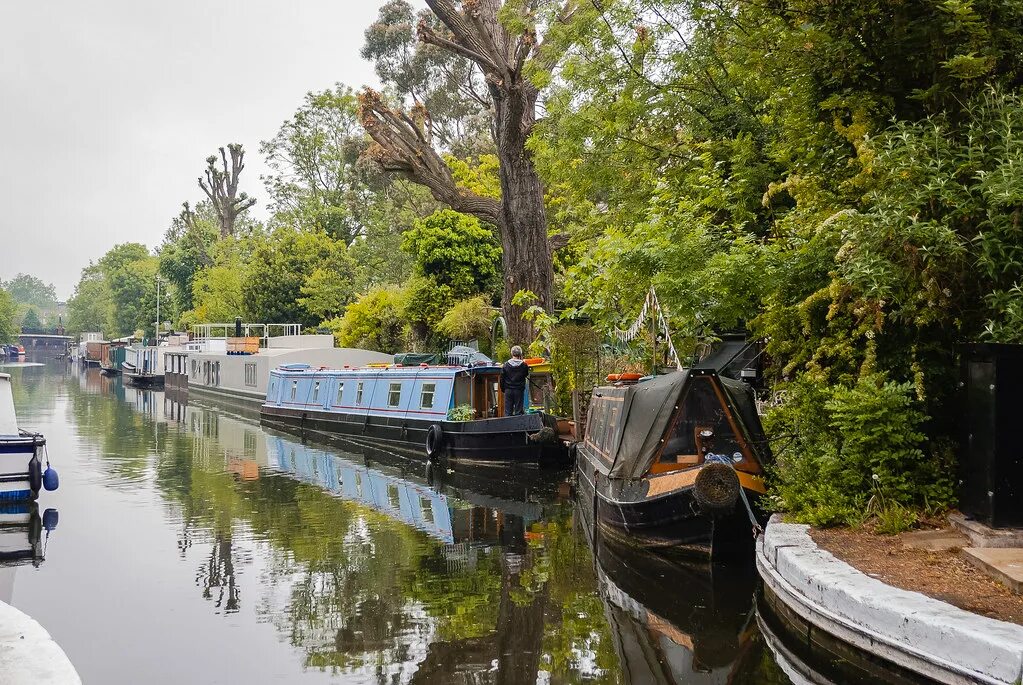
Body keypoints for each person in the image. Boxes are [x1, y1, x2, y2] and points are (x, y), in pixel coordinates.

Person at [500, 345, 530, 417]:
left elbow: (502, 379)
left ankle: (509, 427)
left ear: (511, 353)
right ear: (520, 354)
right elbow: (526, 374)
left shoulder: (505, 365)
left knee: (508, 412)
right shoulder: (524, 365)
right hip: (519, 390)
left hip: (508, 390)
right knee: (518, 411)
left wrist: (503, 389)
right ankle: (519, 427)